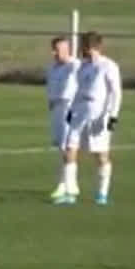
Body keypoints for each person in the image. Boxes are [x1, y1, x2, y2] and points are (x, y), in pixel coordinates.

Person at [60, 31, 122, 205]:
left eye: (84, 47)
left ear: (92, 47)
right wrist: (72, 109)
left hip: (98, 114)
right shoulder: (83, 67)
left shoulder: (109, 66)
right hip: (80, 111)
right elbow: (79, 90)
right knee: (70, 149)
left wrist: (112, 116)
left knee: (100, 155)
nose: (81, 50)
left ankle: (102, 193)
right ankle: (70, 192)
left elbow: (115, 92)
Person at [44, 36, 78, 202]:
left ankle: (68, 187)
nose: (54, 53)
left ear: (66, 49)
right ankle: (65, 184)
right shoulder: (52, 68)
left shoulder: (74, 65)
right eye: (53, 50)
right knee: (61, 147)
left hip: (70, 108)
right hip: (56, 108)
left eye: (57, 50)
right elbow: (50, 86)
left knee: (68, 147)